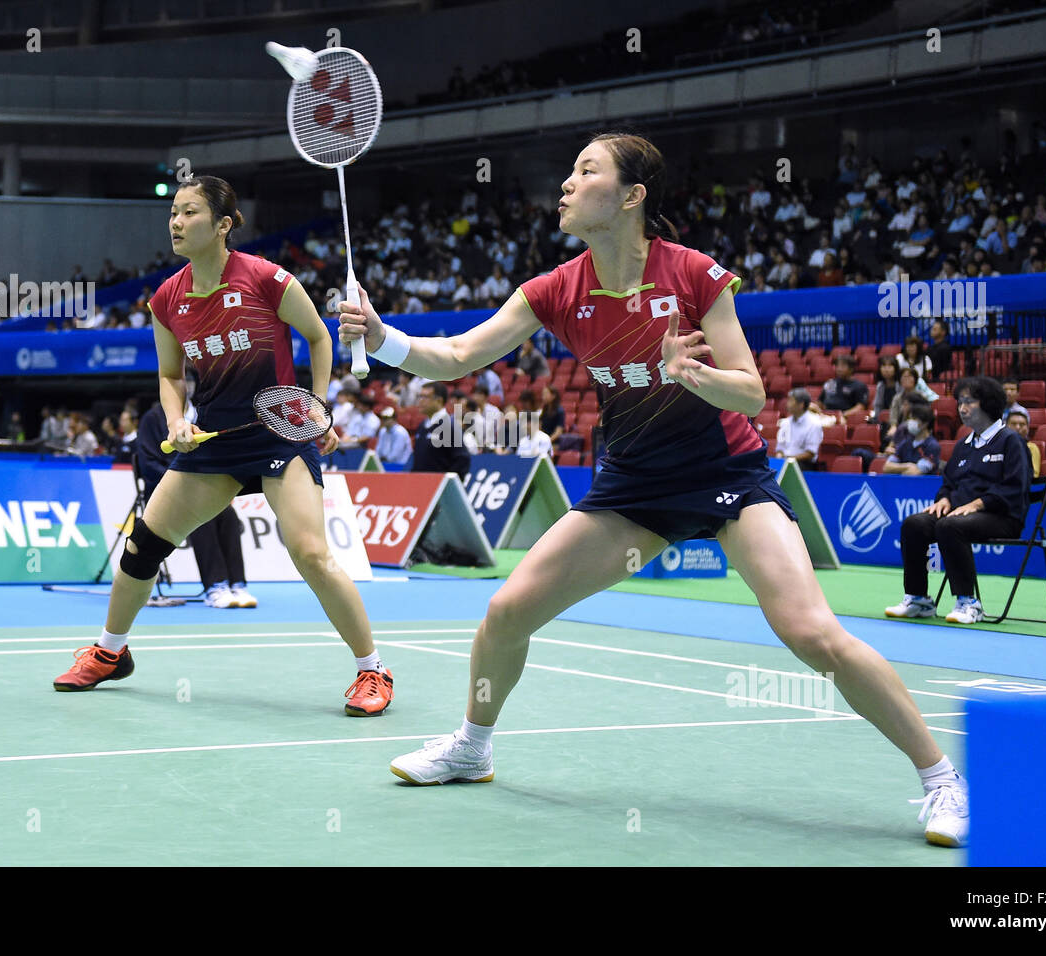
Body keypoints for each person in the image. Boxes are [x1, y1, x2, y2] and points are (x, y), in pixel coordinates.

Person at [342, 132, 968, 846]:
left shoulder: (694, 275)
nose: (567, 187)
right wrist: (385, 338)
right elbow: (457, 356)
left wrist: (692, 375)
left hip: (727, 480)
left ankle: (943, 779)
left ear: (633, 196)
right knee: (507, 610)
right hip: (634, 490)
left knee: (811, 632)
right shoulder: (556, 290)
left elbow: (752, 393)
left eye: (587, 172)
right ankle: (471, 746)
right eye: (570, 174)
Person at [53, 175, 392, 718]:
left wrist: (317, 407)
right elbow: (169, 374)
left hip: (280, 434)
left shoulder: (265, 279)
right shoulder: (167, 297)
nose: (177, 223)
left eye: (189, 213)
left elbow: (321, 336)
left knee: (309, 551)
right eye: (173, 215)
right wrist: (175, 419)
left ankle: (372, 670)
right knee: (143, 544)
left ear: (224, 224)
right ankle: (110, 651)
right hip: (215, 437)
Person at [886, 376, 1031, 625]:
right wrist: (943, 499)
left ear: (988, 404)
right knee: (914, 524)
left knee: (949, 526)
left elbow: (1015, 487)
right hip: (960, 513)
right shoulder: (964, 445)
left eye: (969, 402)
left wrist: (977, 504)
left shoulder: (1011, 441)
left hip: (1002, 516)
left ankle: (968, 602)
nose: (962, 408)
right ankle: (918, 598)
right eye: (960, 402)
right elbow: (949, 483)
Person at [133, 384, 255, 610]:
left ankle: (237, 584)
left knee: (228, 516)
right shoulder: (152, 418)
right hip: (167, 489)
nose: (184, 387)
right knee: (201, 516)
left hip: (204, 484)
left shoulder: (202, 415)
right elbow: (148, 463)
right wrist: (181, 482)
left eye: (188, 382)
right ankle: (215, 586)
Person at [410, 381, 471, 480]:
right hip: (421, 488)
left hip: (439, 491)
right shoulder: (422, 426)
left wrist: (446, 484)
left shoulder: (448, 426)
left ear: (439, 400)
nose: (420, 401)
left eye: (425, 397)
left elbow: (462, 459)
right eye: (419, 396)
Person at [882, 403, 941, 475]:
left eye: (914, 419)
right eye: (910, 418)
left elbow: (914, 472)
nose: (910, 422)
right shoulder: (906, 442)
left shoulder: (932, 446)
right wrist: (907, 465)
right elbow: (886, 467)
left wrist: (897, 468)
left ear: (925, 423)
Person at [772, 388, 822, 468]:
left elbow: (810, 453)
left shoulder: (814, 423)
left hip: (803, 464)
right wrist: (779, 457)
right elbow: (780, 448)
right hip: (785, 461)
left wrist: (789, 459)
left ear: (801, 404)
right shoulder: (786, 422)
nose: (787, 404)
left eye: (791, 401)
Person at [813, 354, 869, 422]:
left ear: (851, 369)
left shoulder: (859, 386)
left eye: (843, 366)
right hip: (826, 416)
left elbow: (860, 407)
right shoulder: (830, 382)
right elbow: (820, 402)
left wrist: (843, 414)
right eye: (837, 366)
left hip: (845, 417)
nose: (839, 369)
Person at [1005, 409, 1041, 477]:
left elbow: (1034, 474)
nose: (1018, 427)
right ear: (1006, 426)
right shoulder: (1000, 446)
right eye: (1013, 424)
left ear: (1028, 428)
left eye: (1022, 424)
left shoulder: (1032, 448)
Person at [868, 355, 900, 425]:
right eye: (884, 366)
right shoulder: (880, 385)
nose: (886, 369)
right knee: (867, 420)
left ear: (895, 369)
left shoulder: (901, 384)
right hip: (883, 419)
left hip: (899, 417)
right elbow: (878, 406)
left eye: (890, 366)